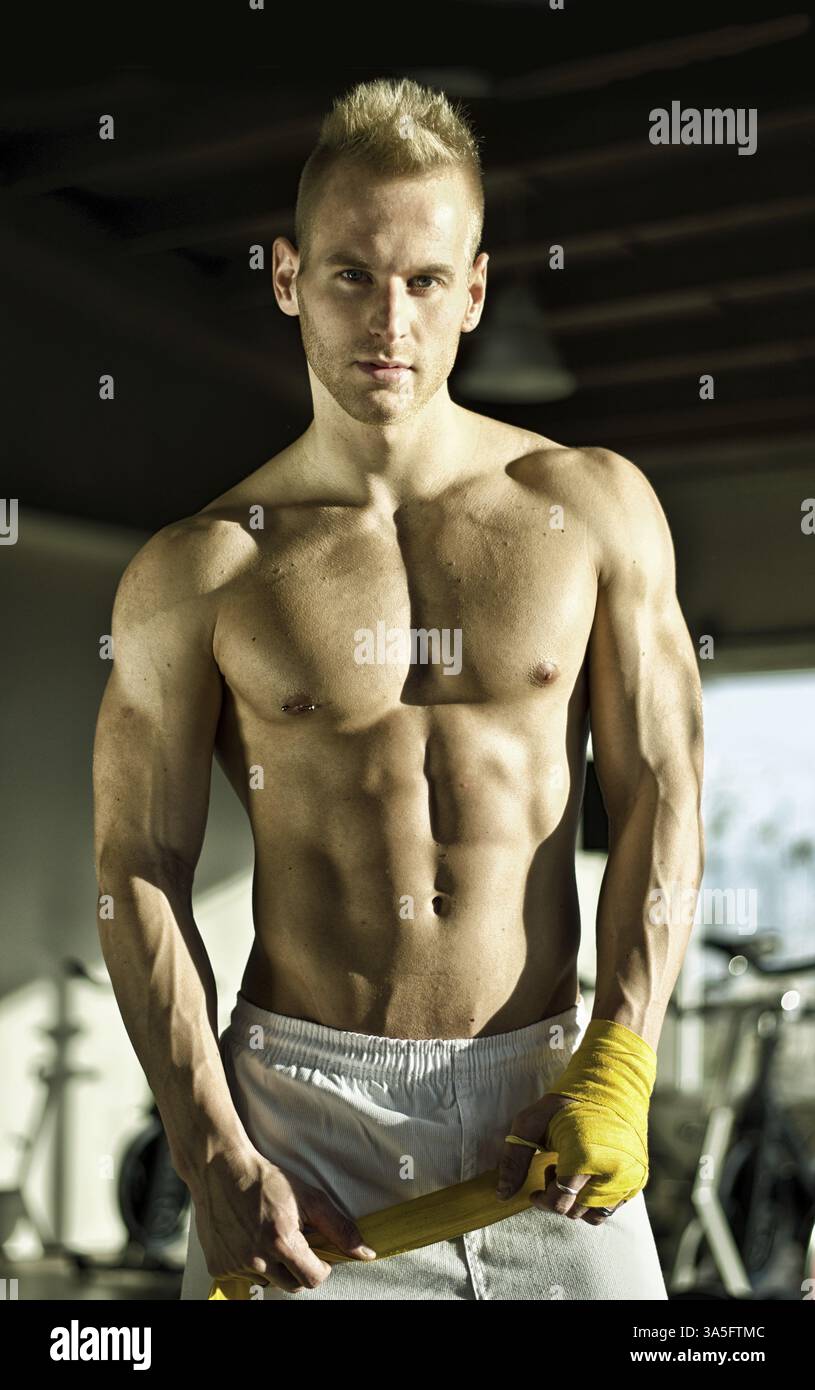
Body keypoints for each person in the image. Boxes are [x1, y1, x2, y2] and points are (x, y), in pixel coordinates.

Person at [92, 76, 704, 1301]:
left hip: (547, 1112)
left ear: (473, 290)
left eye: (425, 280)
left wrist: (620, 1057)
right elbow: (136, 866)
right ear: (285, 277)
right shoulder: (202, 568)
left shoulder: (589, 508)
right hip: (298, 1130)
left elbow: (662, 788)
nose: (390, 319)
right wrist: (213, 1151)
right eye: (349, 275)